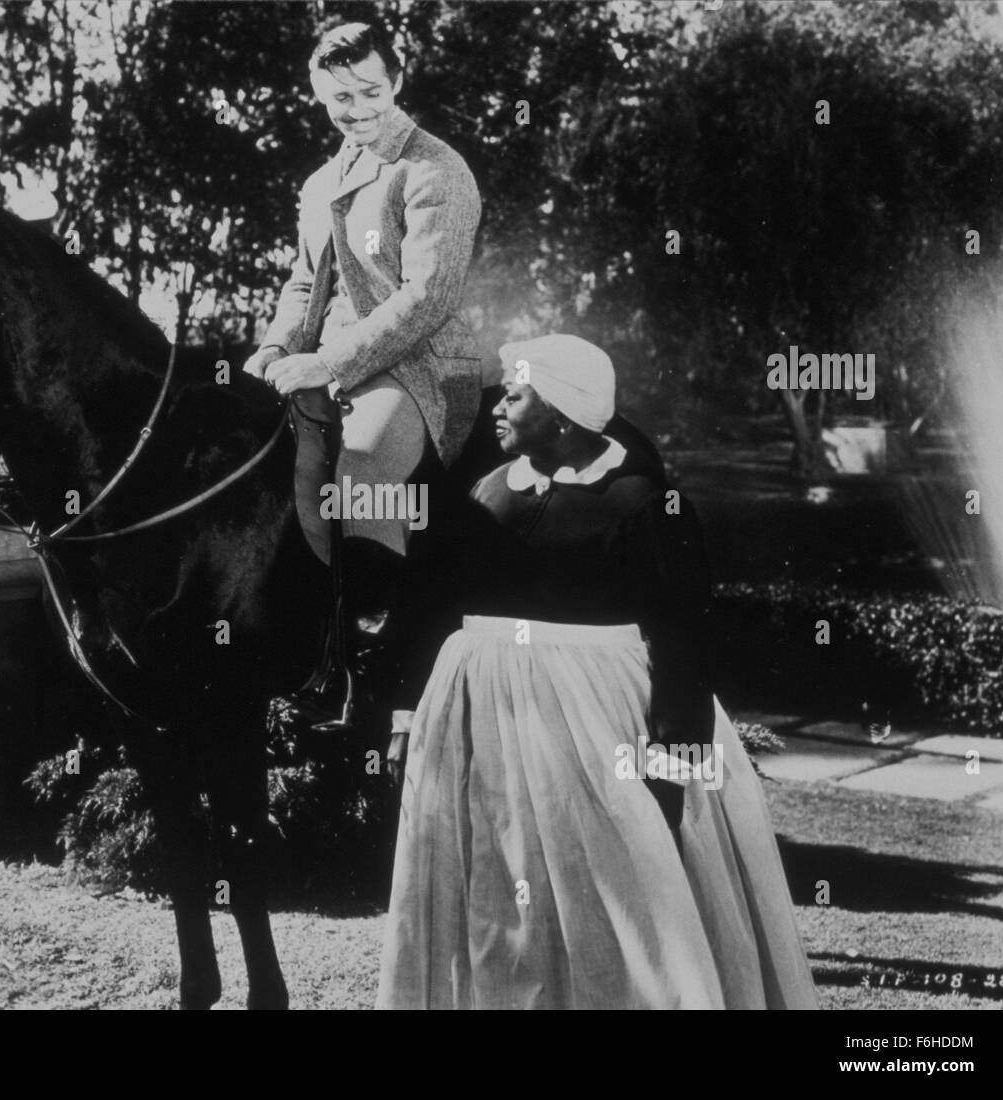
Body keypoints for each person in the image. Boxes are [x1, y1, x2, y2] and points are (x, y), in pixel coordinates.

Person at [377, 334, 818, 1009]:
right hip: (483, 723)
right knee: (501, 893)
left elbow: (682, 642)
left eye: (515, 395)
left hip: (597, 730)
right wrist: (406, 710)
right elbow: (432, 602)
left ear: (561, 412)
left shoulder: (642, 503)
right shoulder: (487, 493)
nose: (498, 406)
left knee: (622, 892)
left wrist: (673, 767)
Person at [245, 20, 484, 733]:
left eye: (367, 91)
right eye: (336, 99)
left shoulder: (436, 168)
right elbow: (302, 283)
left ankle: (366, 668)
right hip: (332, 364)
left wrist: (328, 362)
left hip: (424, 367)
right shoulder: (320, 182)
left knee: (360, 459)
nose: (354, 109)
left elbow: (428, 297)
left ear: (398, 79)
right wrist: (274, 346)